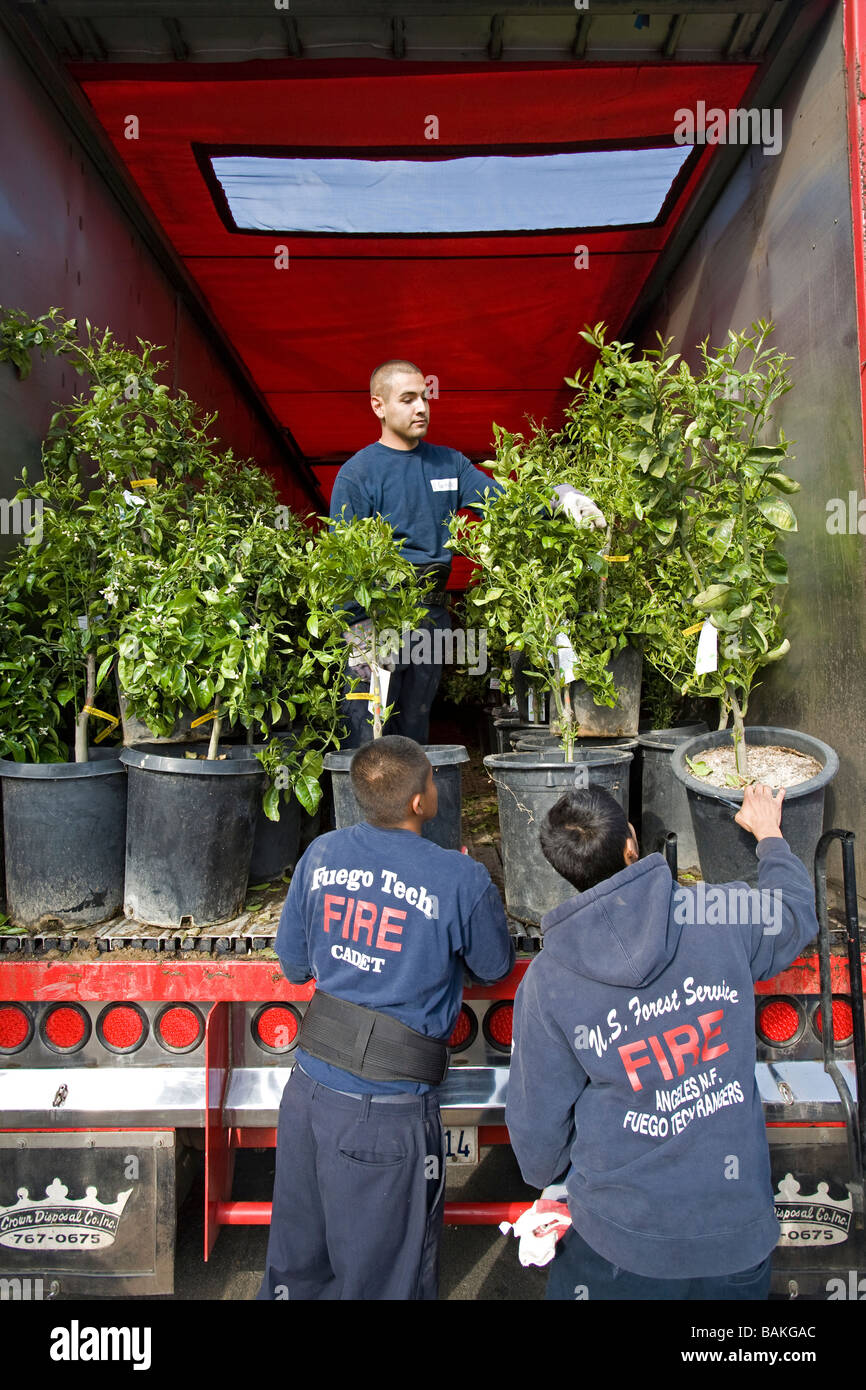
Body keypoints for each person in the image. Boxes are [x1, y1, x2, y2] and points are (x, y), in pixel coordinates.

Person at [505, 782, 818, 1300]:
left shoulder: (548, 980)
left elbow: (537, 1139)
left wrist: (559, 1179)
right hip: (735, 1240)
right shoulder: (719, 915)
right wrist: (769, 834)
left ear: (565, 870)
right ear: (632, 842)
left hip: (615, 1246)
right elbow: (794, 913)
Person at [258, 736, 514, 1300]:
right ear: (421, 801)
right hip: (387, 1113)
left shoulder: (320, 855)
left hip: (309, 1093)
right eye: (431, 780)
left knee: (298, 1267)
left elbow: (296, 966)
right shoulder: (459, 879)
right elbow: (494, 966)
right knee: (383, 1281)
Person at [330, 359, 604, 745]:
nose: (421, 407)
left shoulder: (449, 464)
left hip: (430, 619)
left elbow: (505, 504)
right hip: (378, 620)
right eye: (407, 399)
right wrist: (358, 631)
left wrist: (560, 498)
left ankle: (413, 803)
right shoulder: (358, 475)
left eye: (424, 397)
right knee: (367, 736)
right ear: (379, 405)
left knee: (414, 732)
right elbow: (342, 561)